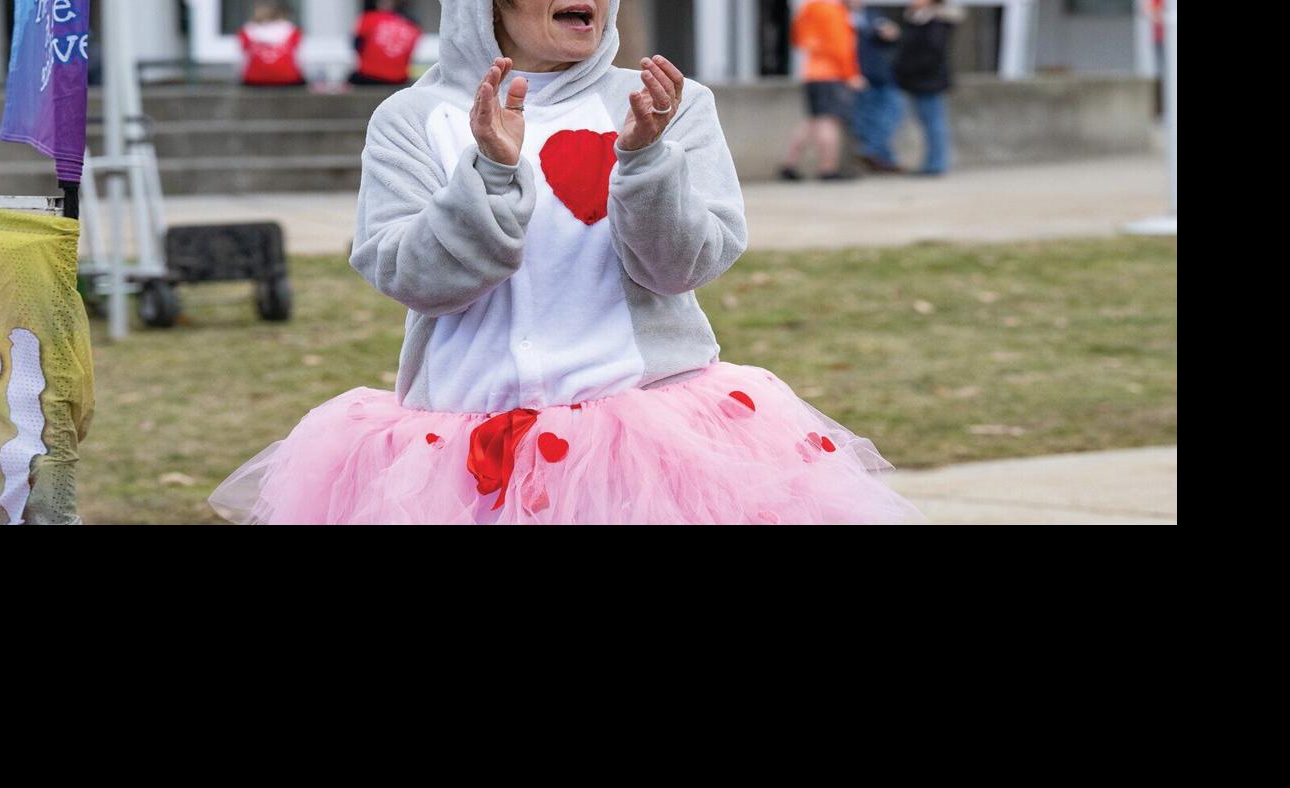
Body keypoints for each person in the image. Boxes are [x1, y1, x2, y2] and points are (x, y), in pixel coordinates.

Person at [209, 0, 922, 525]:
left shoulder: (666, 103)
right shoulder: (410, 119)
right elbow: (412, 279)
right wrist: (488, 175)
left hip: (648, 449)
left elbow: (684, 266)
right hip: (460, 453)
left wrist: (645, 160)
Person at [778, 0, 866, 182]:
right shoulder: (834, 12)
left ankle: (789, 164)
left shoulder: (810, 8)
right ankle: (828, 169)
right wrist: (851, 75)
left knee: (813, 120)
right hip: (830, 74)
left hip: (811, 72)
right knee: (829, 121)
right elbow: (841, 48)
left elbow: (798, 39)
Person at [894, 0, 963, 176]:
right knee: (929, 122)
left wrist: (909, 68)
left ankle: (936, 164)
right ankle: (933, 162)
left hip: (928, 80)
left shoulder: (936, 22)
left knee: (934, 123)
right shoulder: (916, 20)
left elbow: (932, 53)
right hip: (918, 80)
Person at [849, 0, 903, 174]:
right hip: (858, 77)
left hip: (881, 75)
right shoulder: (839, 18)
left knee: (894, 113)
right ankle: (884, 161)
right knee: (865, 121)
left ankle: (871, 152)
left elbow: (887, 41)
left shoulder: (873, 15)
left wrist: (892, 34)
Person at [350, 0, 423, 86]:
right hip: (398, 79)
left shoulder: (369, 18)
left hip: (368, 75)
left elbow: (357, 45)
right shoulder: (413, 26)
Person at [238, 1, 305, 87]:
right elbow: (301, 59)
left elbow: (241, 59)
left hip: (254, 79)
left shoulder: (247, 31)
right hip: (288, 79)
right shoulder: (292, 30)